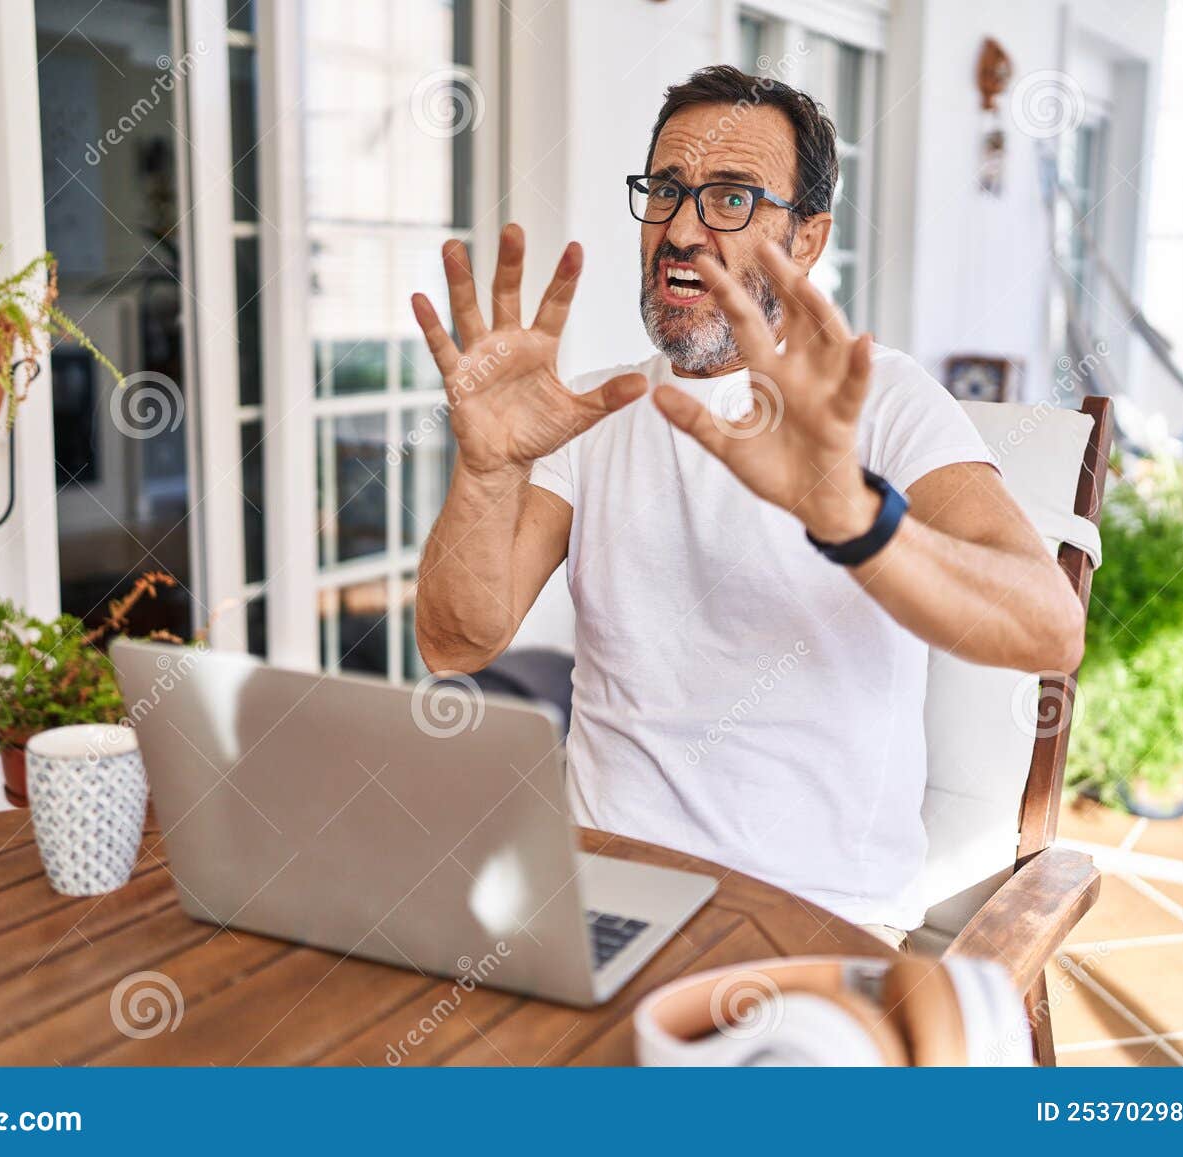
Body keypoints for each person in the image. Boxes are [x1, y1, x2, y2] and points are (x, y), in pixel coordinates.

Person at [410, 66, 1083, 945]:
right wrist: (488, 471)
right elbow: (456, 640)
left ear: (808, 238)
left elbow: (1049, 629)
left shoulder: (884, 401)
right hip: (596, 898)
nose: (682, 229)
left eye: (730, 198)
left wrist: (852, 518)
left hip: (811, 925)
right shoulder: (590, 411)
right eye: (667, 191)